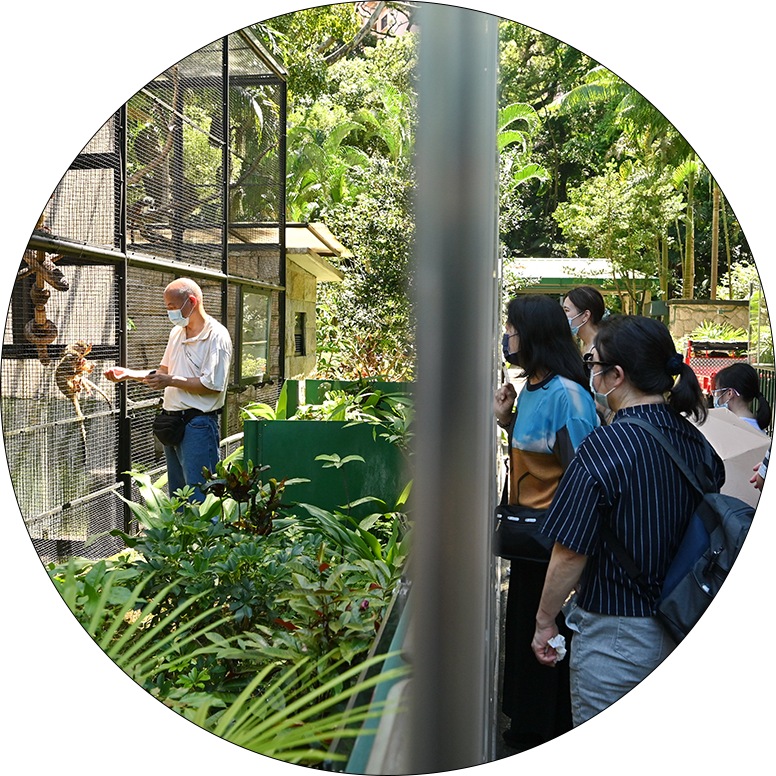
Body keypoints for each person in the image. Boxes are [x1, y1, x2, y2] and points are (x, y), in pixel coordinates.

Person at [531, 314, 724, 776]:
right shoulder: (696, 443)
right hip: (685, 625)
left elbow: (570, 552)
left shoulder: (604, 445)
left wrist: (543, 621)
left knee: (603, 766)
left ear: (616, 376)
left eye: (592, 361)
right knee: (687, 751)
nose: (589, 370)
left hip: (618, 629)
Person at [494, 294, 598, 776]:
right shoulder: (533, 389)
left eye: (512, 327)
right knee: (524, 633)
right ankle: (530, 725)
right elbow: (537, 451)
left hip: (554, 545)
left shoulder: (568, 395)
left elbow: (581, 477)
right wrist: (506, 417)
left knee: (550, 639)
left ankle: (559, 751)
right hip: (528, 543)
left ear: (533, 334)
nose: (507, 336)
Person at [105, 278, 232, 502]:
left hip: (199, 425)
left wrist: (170, 380)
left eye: (172, 307)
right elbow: (163, 373)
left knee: (202, 496)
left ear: (191, 302)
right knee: (179, 496)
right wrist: (128, 373)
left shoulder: (216, 336)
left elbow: (211, 386)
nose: (169, 312)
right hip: (172, 423)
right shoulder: (177, 333)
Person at [702, 363, 770, 748]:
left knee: (711, 651)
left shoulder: (716, 435)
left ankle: (705, 723)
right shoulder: (766, 445)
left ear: (727, 394)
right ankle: (742, 713)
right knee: (741, 645)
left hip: (723, 553)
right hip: (759, 556)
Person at [562, 285, 606, 353]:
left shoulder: (601, 350)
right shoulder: (588, 347)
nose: (562, 315)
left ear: (586, 315)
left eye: (567, 310)